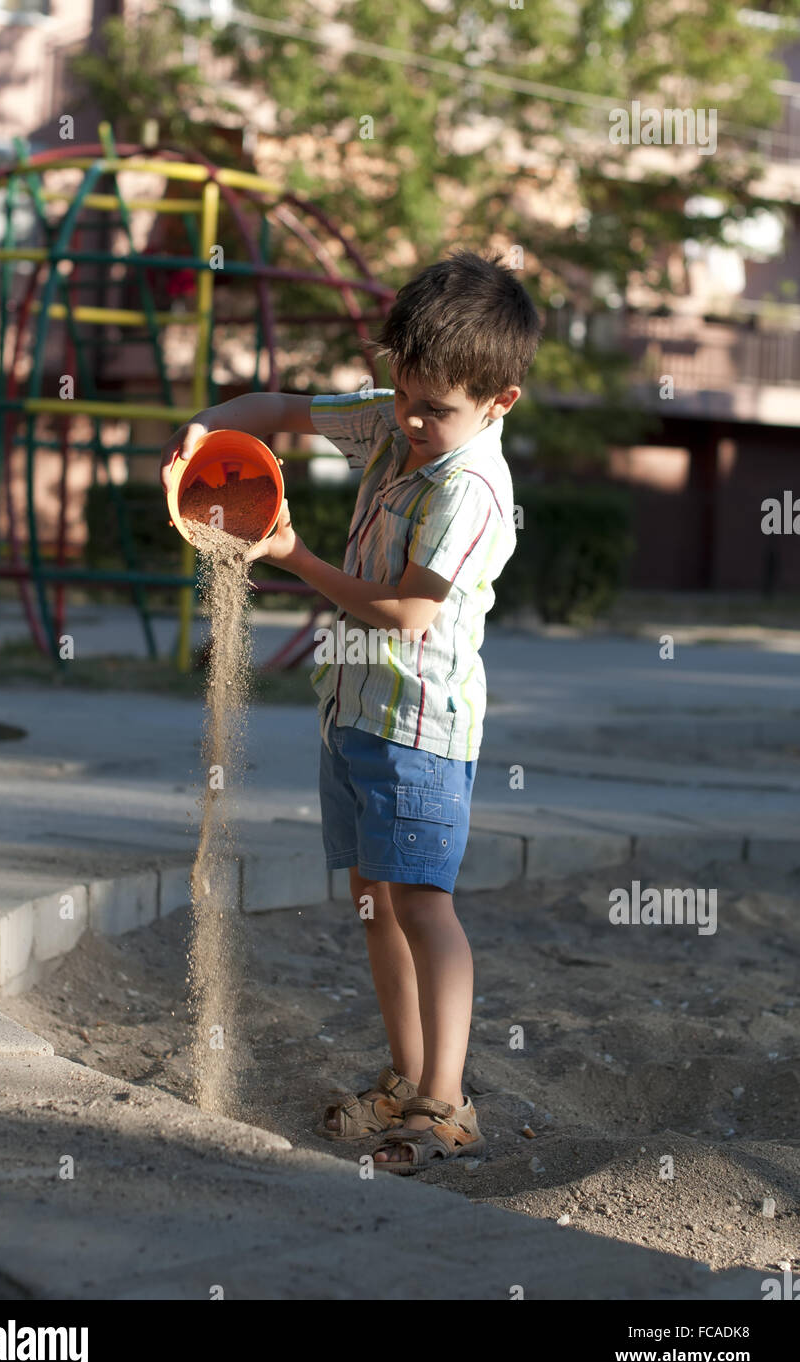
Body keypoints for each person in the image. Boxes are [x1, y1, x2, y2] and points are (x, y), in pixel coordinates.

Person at [160, 248, 542, 1174]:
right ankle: (407, 1080)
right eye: (403, 393)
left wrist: (291, 555)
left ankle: (448, 1102)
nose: (410, 421)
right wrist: (203, 430)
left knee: (422, 903)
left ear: (498, 403)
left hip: (421, 729)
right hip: (356, 716)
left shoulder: (470, 490)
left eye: (435, 410)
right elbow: (280, 410)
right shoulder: (392, 420)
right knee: (373, 901)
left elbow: (409, 611)